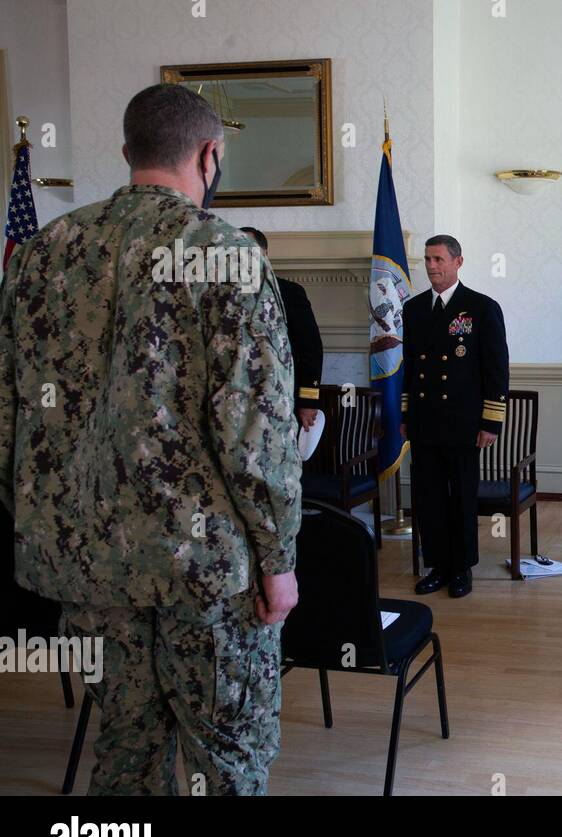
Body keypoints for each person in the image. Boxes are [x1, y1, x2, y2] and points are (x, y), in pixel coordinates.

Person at [0, 84, 301, 795]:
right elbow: (256, 432)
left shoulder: (41, 255)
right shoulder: (226, 254)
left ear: (127, 152)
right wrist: (278, 555)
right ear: (210, 154)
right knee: (226, 754)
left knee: (124, 748)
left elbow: (8, 414)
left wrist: (43, 524)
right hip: (206, 568)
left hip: (85, 564)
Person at [400, 235, 508, 599]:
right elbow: (410, 368)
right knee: (429, 497)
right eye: (428, 260)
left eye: (439, 259)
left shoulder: (480, 307)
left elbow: (496, 370)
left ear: (458, 262)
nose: (432, 266)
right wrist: (405, 414)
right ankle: (438, 565)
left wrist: (490, 421)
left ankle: (462, 568)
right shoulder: (413, 309)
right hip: (425, 420)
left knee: (461, 496)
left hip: (463, 423)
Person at [240, 227, 324, 429]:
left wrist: (308, 401)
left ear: (265, 254)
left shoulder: (289, 293)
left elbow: (310, 349)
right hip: (237, 400)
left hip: (280, 398)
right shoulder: (219, 294)